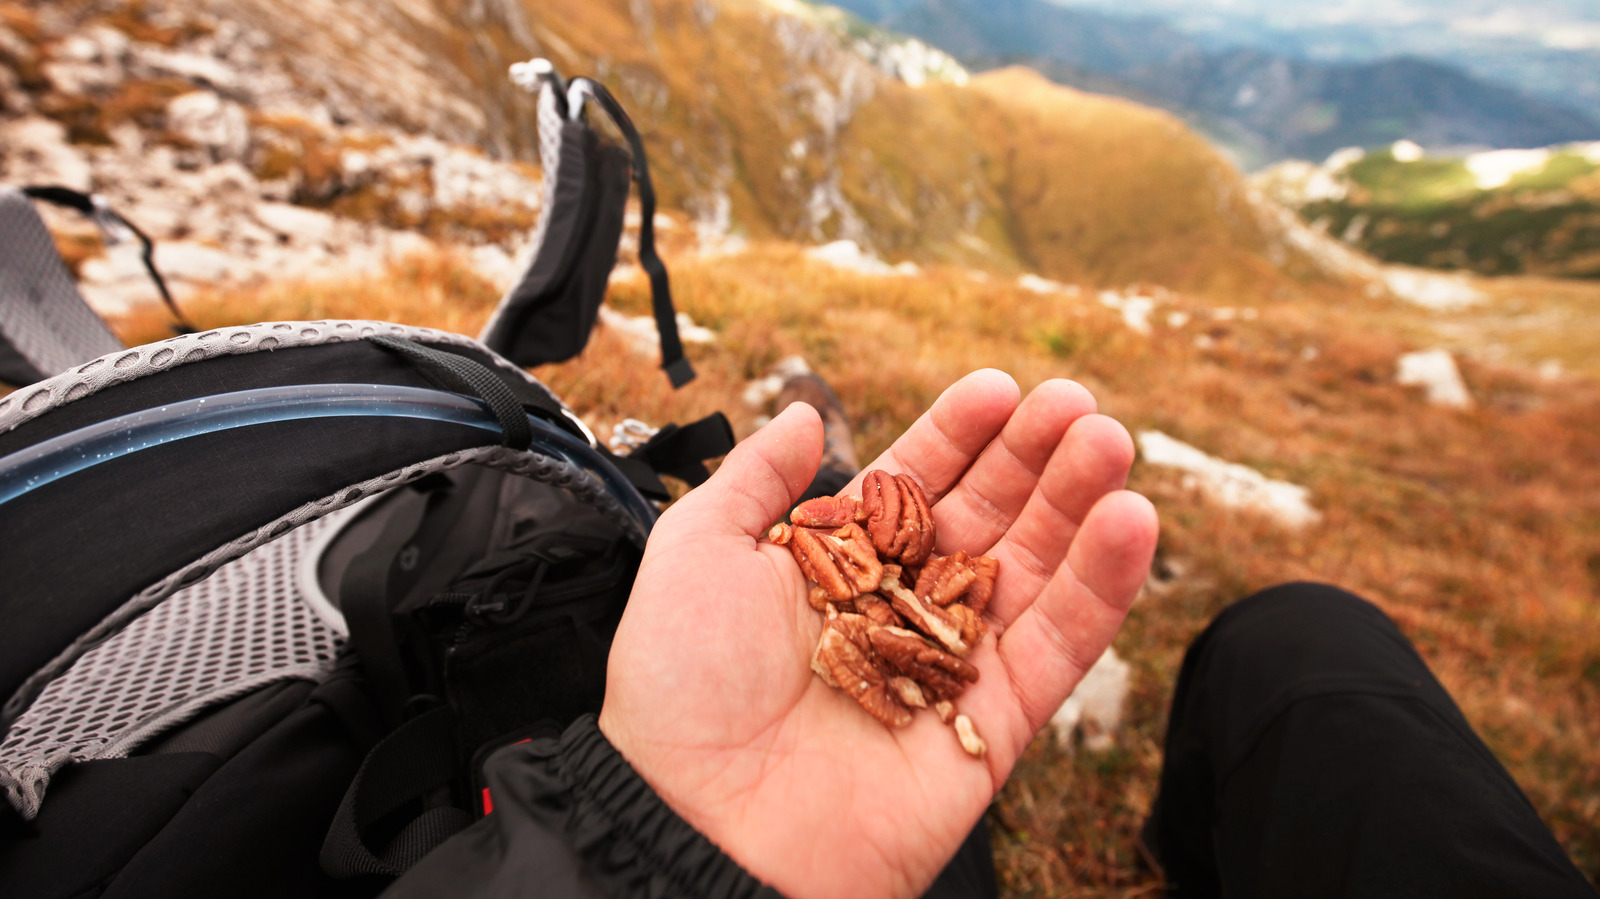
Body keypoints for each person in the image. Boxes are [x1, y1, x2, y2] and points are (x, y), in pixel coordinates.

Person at [386, 370, 1595, 898]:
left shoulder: (906, 605)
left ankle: (1186, 852)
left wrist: (633, 840)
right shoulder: (889, 604)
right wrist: (656, 835)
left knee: (1301, 642)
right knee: (1302, 633)